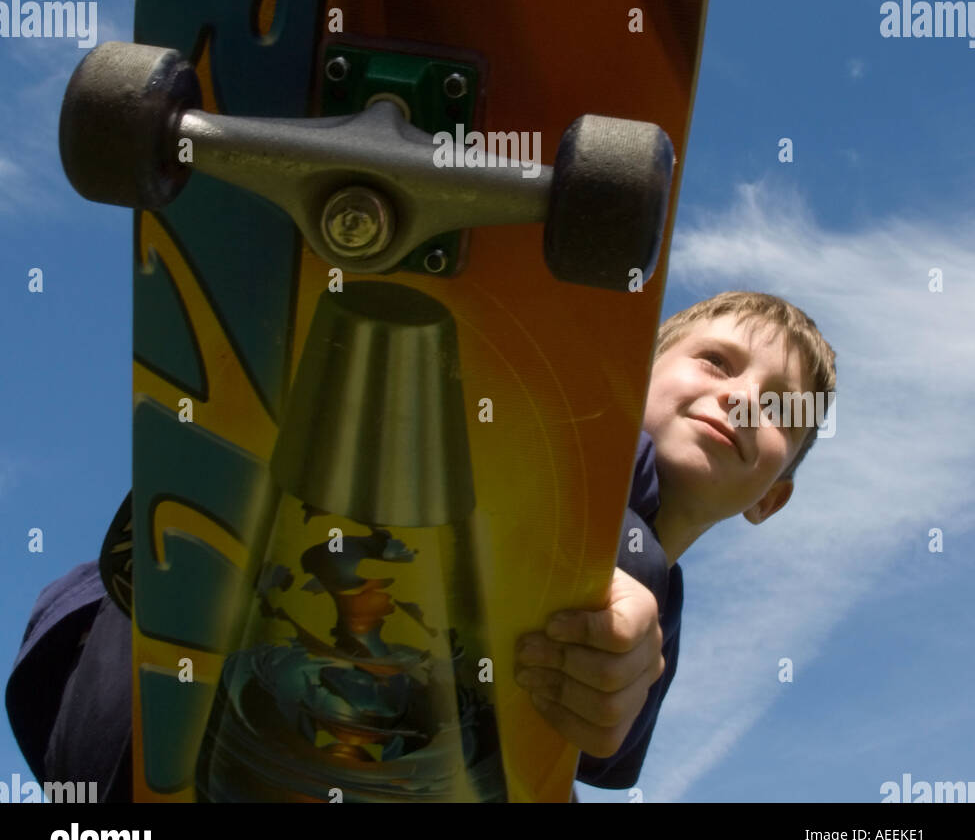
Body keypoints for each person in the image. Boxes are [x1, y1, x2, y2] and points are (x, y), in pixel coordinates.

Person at [5, 289, 835, 803]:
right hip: (129, 667)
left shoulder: (661, 604)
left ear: (772, 498)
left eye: (778, 409)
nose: (738, 399)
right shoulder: (581, 439)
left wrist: (610, 680)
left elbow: (584, 761)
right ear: (633, 372)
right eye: (715, 362)